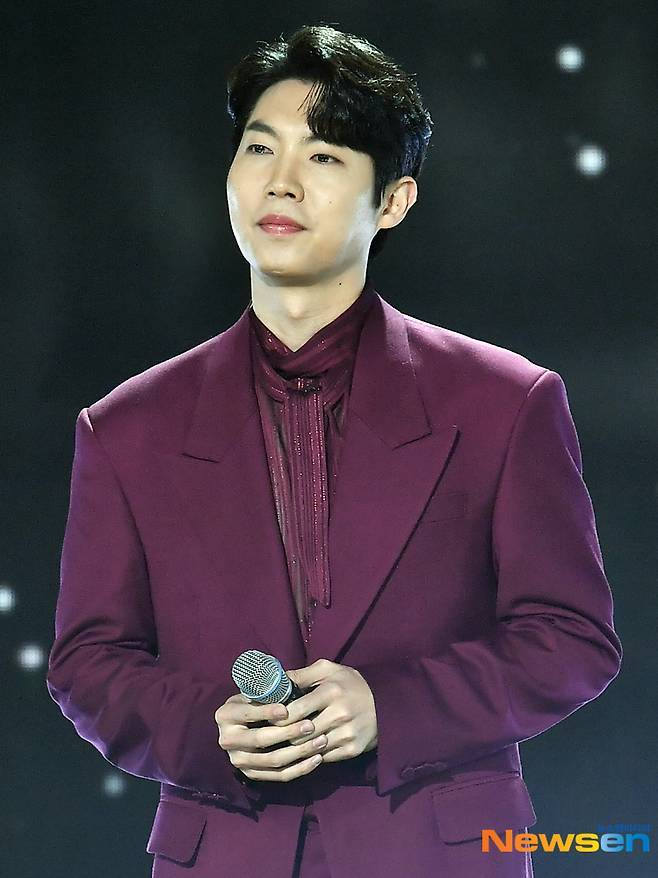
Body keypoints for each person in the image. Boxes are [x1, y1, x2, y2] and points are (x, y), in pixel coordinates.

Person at [46, 23, 622, 878]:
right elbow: (88, 663)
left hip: (436, 852)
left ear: (393, 201)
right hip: (225, 851)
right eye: (260, 147)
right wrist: (205, 727)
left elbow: (571, 638)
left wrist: (392, 706)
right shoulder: (128, 426)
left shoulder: (503, 403)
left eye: (323, 157)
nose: (280, 180)